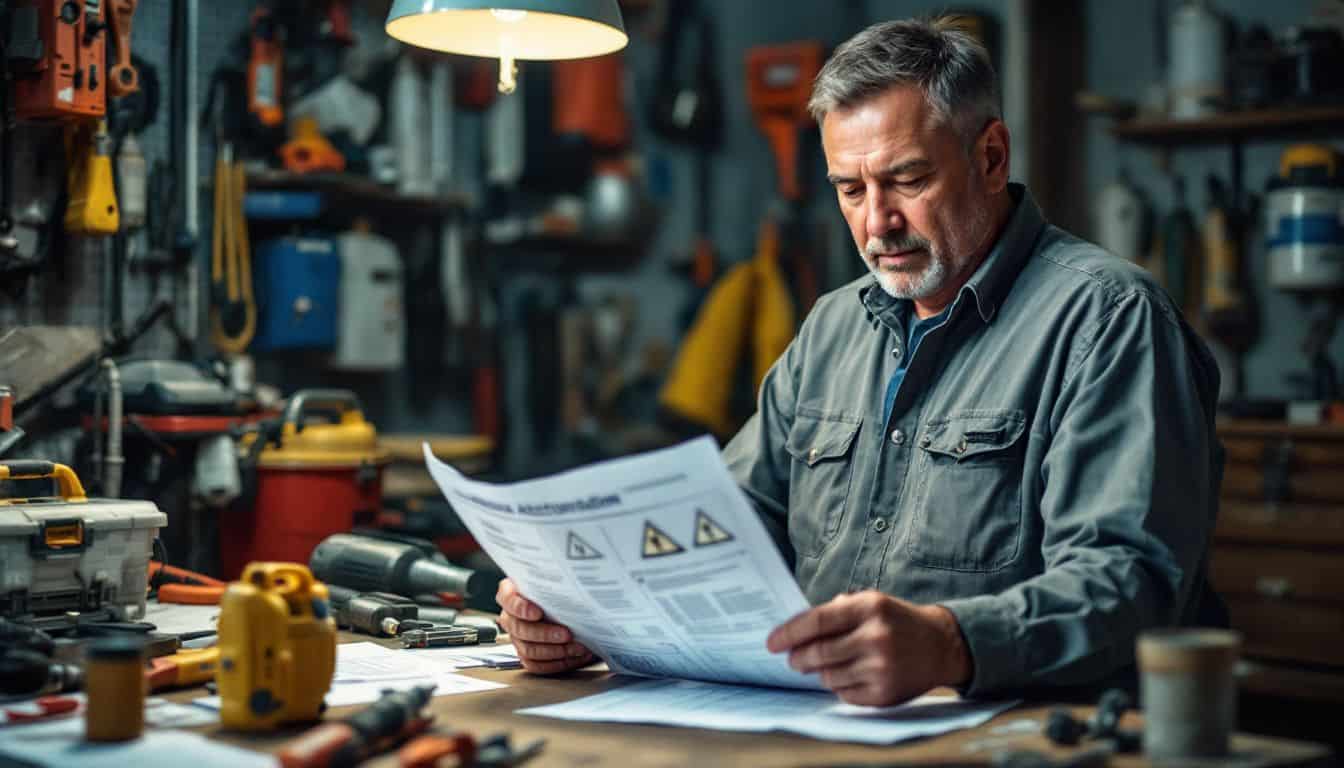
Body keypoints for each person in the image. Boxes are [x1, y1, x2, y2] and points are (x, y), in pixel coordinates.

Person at [495, 16, 1224, 706]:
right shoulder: (833, 327)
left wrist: (950, 643)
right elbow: (731, 525)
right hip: (825, 723)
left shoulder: (1107, 319)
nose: (877, 222)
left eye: (907, 180)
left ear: (991, 157)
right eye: (850, 189)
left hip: (1018, 734)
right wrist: (582, 610)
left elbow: (1131, 582)